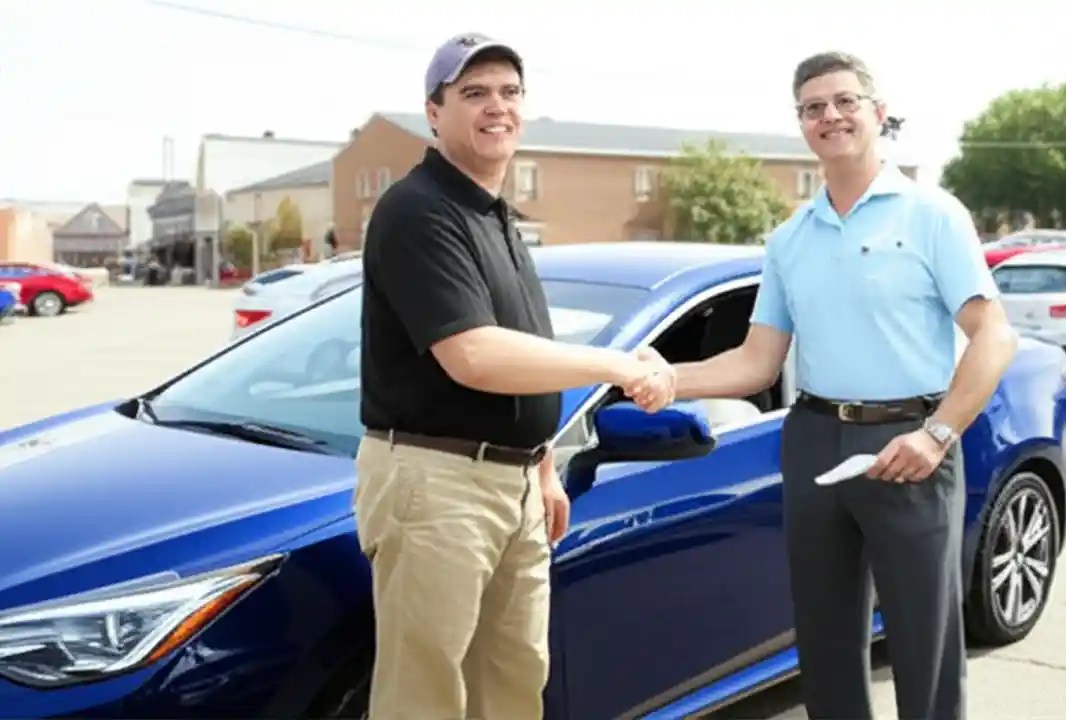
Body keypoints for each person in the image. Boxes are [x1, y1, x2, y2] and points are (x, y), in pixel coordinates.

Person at [629, 51, 1017, 719]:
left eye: (844, 101)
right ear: (802, 124)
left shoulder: (931, 214)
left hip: (910, 442)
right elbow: (755, 362)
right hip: (813, 438)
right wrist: (665, 378)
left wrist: (937, 434)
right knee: (824, 638)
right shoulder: (790, 238)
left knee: (924, 639)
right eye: (813, 108)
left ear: (878, 112)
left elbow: (994, 335)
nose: (829, 116)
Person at [354, 33, 675, 720]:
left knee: (513, 684)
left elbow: (523, 346)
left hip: (515, 485)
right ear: (433, 113)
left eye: (509, 92)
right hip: (437, 485)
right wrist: (618, 365)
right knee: (424, 697)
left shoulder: (497, 216)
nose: (496, 106)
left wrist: (542, 463)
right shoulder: (417, 210)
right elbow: (472, 354)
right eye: (474, 93)